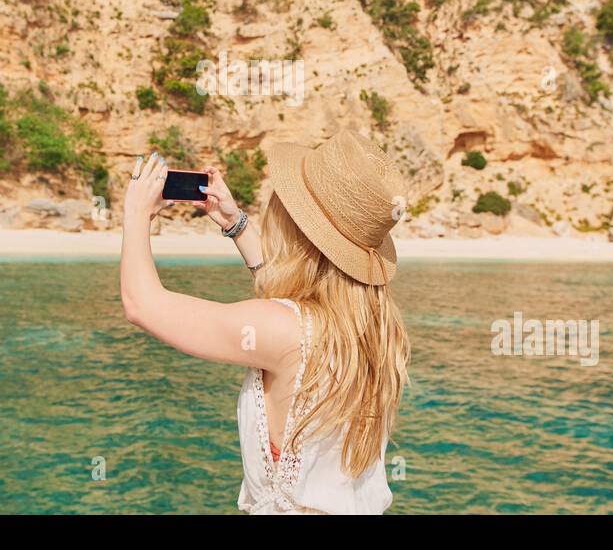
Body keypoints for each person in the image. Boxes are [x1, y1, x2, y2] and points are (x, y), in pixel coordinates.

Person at [119, 129, 410, 514]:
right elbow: (295, 297)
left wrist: (136, 214)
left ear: (296, 225)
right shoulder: (375, 327)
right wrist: (235, 224)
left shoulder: (284, 330)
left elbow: (142, 305)